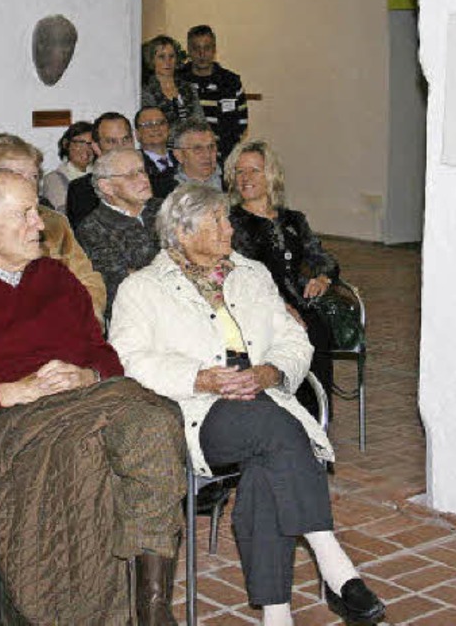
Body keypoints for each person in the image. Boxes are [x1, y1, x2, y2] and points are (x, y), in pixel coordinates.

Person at [109, 184, 386, 626]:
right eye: (216, 220)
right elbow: (128, 360)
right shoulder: (141, 289)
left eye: (226, 217)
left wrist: (270, 373)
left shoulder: (251, 273)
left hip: (266, 402)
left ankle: (277, 614)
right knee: (276, 432)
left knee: (268, 460)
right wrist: (200, 378)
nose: (228, 227)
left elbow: (295, 339)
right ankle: (334, 565)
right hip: (195, 410)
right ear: (181, 232)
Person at [0, 170, 185, 625]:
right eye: (24, 214)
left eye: (37, 212)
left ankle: (152, 609)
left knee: (152, 421)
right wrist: (4, 391)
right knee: (105, 445)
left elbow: (106, 358)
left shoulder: (57, 278)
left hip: (86, 405)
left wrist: (88, 375)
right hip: (5, 425)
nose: (39, 225)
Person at [0, 134, 107, 318]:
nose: (29, 183)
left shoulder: (54, 223)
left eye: (34, 176)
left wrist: (81, 323)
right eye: (17, 175)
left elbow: (88, 281)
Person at [227, 140, 343, 414]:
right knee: (293, 333)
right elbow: (236, 276)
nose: (245, 178)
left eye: (254, 170)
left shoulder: (294, 220)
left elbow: (323, 258)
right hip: (256, 307)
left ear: (271, 175)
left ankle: (318, 420)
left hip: (301, 304)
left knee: (317, 328)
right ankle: (289, 420)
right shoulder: (230, 222)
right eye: (239, 172)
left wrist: (323, 278)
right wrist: (279, 308)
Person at [75, 148, 161, 321]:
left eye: (142, 171)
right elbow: (122, 287)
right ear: (106, 187)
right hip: (139, 320)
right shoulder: (92, 228)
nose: (144, 178)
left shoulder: (165, 209)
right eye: (131, 175)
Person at [180, 25, 249, 160]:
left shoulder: (231, 82)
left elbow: (241, 123)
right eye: (196, 48)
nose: (202, 54)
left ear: (214, 49)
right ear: (189, 51)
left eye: (207, 48)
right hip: (186, 163)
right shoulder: (177, 82)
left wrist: (222, 153)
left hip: (222, 160)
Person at [65, 111, 136, 228]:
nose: (120, 147)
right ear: (96, 147)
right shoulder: (82, 190)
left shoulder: (151, 181)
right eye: (111, 141)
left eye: (126, 139)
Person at [140, 34, 204, 128]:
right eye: (162, 57)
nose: (168, 62)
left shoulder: (188, 88)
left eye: (171, 56)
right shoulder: (146, 91)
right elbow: (154, 126)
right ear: (152, 60)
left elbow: (200, 121)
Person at [40, 120, 95, 214]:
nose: (86, 150)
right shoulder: (53, 179)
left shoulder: (102, 175)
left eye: (90, 144)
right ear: (66, 144)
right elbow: (62, 214)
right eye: (80, 143)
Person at [135, 105, 179, 198]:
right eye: (148, 124)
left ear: (168, 128)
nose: (155, 128)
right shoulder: (135, 165)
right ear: (137, 134)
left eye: (161, 123)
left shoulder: (183, 158)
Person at [172, 118, 224, 189]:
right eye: (198, 149)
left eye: (211, 147)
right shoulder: (163, 188)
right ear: (179, 155)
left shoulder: (233, 178)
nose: (207, 155)